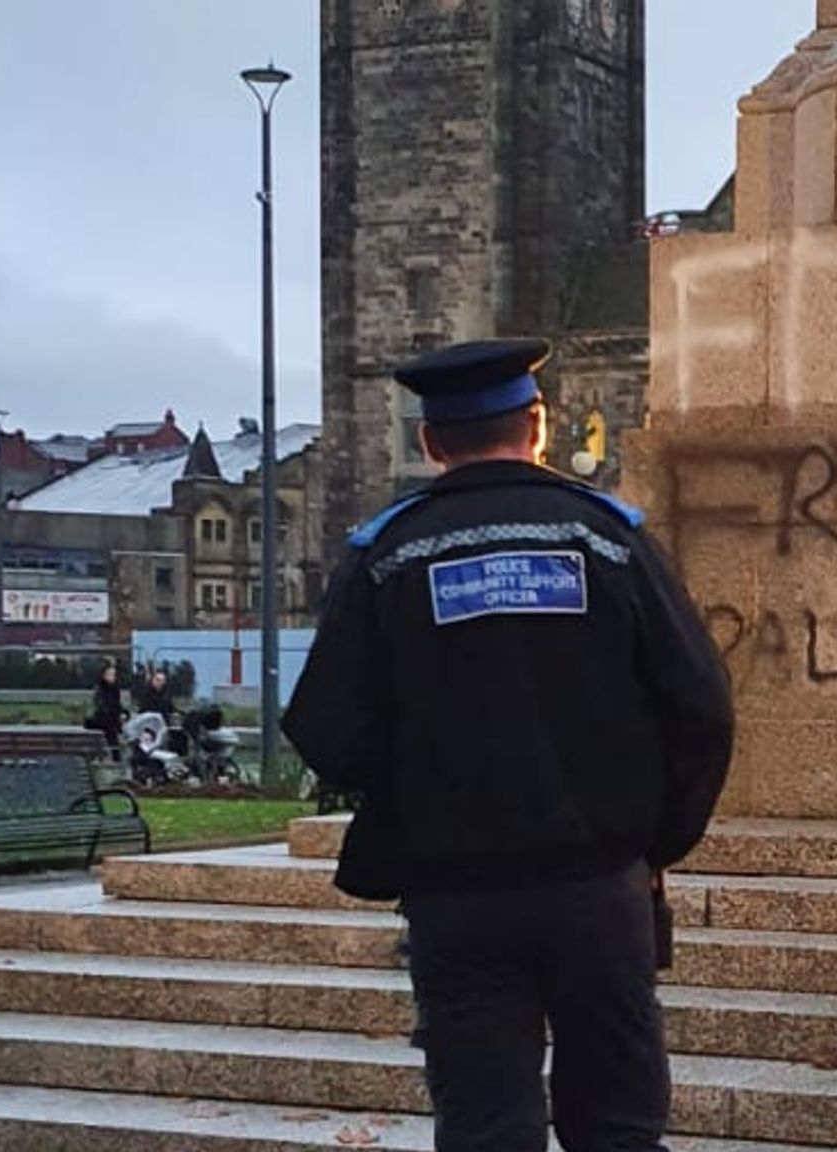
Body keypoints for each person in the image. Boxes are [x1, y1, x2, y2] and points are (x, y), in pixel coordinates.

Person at [284, 338, 734, 1152]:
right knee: (621, 1128)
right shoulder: (608, 539)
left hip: (457, 900)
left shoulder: (385, 556)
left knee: (487, 1127)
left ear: (429, 444)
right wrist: (654, 840)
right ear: (538, 425)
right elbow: (701, 705)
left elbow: (325, 728)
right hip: (600, 890)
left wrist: (417, 787)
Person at [86, 664, 126, 749]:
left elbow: (117, 704)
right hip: (99, 718)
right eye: (110, 674)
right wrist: (116, 715)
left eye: (114, 675)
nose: (112, 677)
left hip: (112, 718)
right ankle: (115, 752)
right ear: (104, 676)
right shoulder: (100, 688)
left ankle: (118, 749)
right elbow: (101, 706)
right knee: (111, 725)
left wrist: (122, 713)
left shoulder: (115, 689)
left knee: (119, 721)